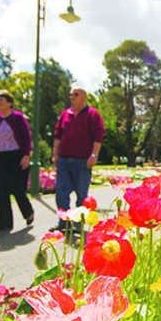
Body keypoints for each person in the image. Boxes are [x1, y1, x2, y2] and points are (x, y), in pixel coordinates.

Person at [50, 86, 105, 233]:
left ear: (84, 97)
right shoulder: (65, 114)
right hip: (64, 160)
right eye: (71, 94)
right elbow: (57, 136)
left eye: (76, 94)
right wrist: (55, 154)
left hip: (82, 161)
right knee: (61, 191)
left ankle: (78, 225)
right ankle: (64, 223)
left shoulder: (93, 115)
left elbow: (98, 137)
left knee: (82, 194)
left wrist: (94, 155)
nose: (72, 97)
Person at [0, 90, 35, 231]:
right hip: (2, 156)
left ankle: (28, 212)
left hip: (17, 155)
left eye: (2, 99)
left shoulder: (17, 117)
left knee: (17, 188)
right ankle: (5, 224)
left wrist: (26, 155)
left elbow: (26, 137)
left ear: (9, 103)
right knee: (1, 190)